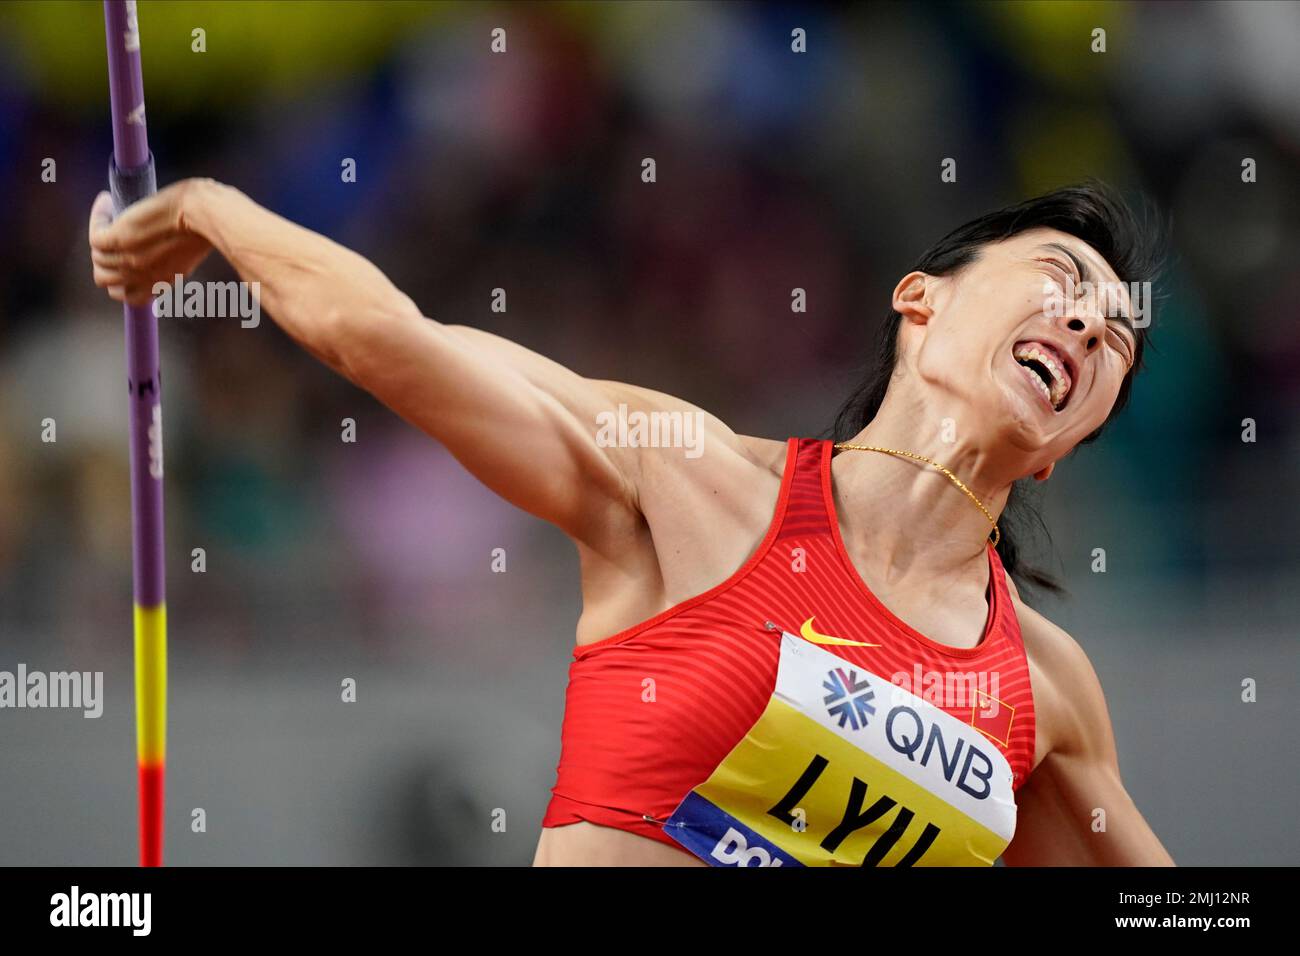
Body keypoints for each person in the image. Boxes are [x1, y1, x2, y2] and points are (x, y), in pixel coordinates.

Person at [88, 178, 1176, 867]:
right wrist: (204, 210)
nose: (1086, 320)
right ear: (920, 297)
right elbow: (379, 333)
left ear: (1067, 442)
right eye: (1058, 276)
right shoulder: (687, 483)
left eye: (1116, 342)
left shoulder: (1042, 690)